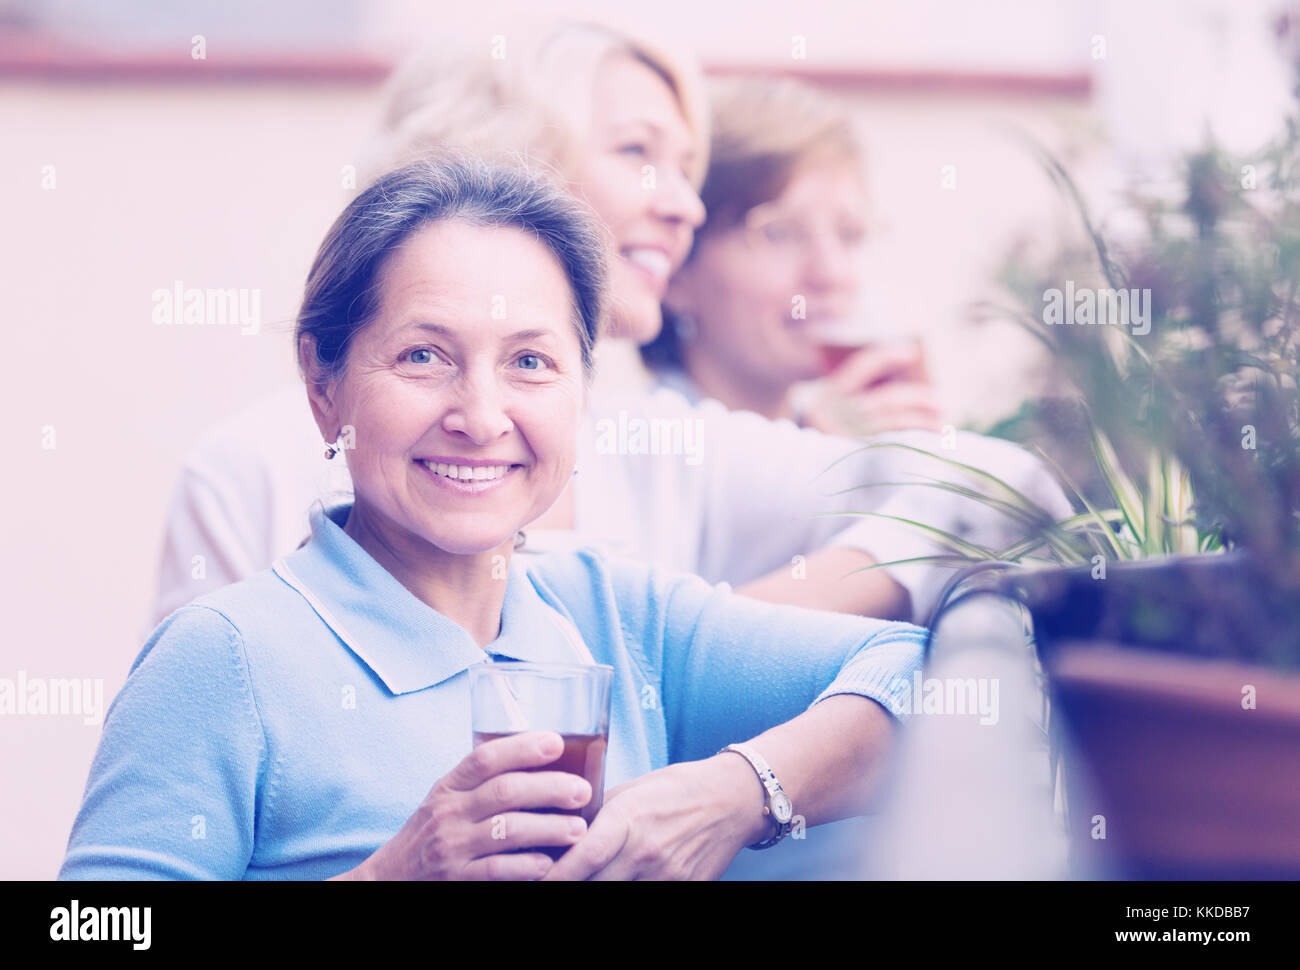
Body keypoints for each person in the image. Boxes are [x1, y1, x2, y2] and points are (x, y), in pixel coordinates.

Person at [59, 158, 927, 881]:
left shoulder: (620, 618)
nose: (481, 415)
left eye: (530, 362)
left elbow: (930, 676)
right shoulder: (224, 658)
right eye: (424, 355)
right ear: (323, 388)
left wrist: (740, 794)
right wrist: (389, 875)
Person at [152, 20, 1072, 638]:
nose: (680, 206)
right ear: (503, 155)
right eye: (638, 154)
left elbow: (999, 491)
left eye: (688, 169)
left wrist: (697, 652)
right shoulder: (250, 475)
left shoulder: (652, 447)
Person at [645, 75, 941, 438]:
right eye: (779, 233)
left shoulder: (829, 435)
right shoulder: (646, 454)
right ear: (677, 272)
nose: (833, 275)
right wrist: (820, 470)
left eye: (848, 234)